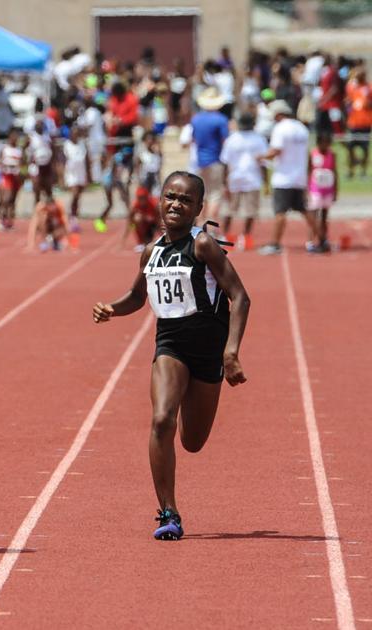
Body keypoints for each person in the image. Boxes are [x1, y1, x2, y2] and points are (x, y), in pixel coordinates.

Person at [93, 171, 251, 541]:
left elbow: (240, 297)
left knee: (192, 441)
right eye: (170, 197)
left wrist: (231, 351)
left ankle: (188, 413)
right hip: (171, 345)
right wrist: (112, 309)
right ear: (160, 202)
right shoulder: (152, 251)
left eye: (185, 200)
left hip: (208, 350)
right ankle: (169, 512)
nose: (176, 204)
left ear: (198, 208)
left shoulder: (204, 246)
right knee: (162, 418)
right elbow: (137, 297)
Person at [260, 100, 322, 255]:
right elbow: (306, 154)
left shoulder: (281, 128)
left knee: (280, 212)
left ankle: (275, 243)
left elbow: (276, 150)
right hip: (298, 177)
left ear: (279, 114)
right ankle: (323, 238)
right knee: (304, 210)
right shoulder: (302, 128)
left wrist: (259, 157)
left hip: (283, 178)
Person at [218, 111, 267, 250]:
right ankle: (245, 237)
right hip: (253, 178)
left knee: (229, 209)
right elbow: (263, 162)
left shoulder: (232, 139)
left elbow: (225, 163)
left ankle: (225, 236)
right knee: (250, 210)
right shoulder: (259, 139)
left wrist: (224, 182)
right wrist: (266, 181)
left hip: (234, 178)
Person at [190, 87, 229, 220]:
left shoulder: (196, 119)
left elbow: (194, 139)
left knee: (202, 194)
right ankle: (210, 224)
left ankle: (199, 223)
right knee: (215, 194)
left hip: (199, 160)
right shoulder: (221, 120)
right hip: (215, 159)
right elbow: (225, 141)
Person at [307, 132, 337, 253]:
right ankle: (310, 241)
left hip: (327, 189)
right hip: (315, 189)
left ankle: (323, 239)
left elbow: (335, 172)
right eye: (323, 143)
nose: (325, 146)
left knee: (324, 216)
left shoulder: (332, 154)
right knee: (313, 216)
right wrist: (306, 189)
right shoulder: (313, 154)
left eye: (327, 143)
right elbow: (308, 171)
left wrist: (336, 190)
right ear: (318, 143)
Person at [345, 68, 372, 178]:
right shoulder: (351, 87)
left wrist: (367, 104)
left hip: (365, 123)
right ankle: (350, 170)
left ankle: (363, 171)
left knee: (365, 149)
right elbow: (347, 101)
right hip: (353, 123)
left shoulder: (369, 88)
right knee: (350, 147)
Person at [63, 125, 91, 228]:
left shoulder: (82, 145)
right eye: (74, 132)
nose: (76, 134)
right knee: (74, 194)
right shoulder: (67, 145)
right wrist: (61, 177)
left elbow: (87, 161)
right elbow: (62, 162)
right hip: (71, 174)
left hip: (81, 173)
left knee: (78, 196)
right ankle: (70, 215)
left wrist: (89, 175)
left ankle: (74, 217)